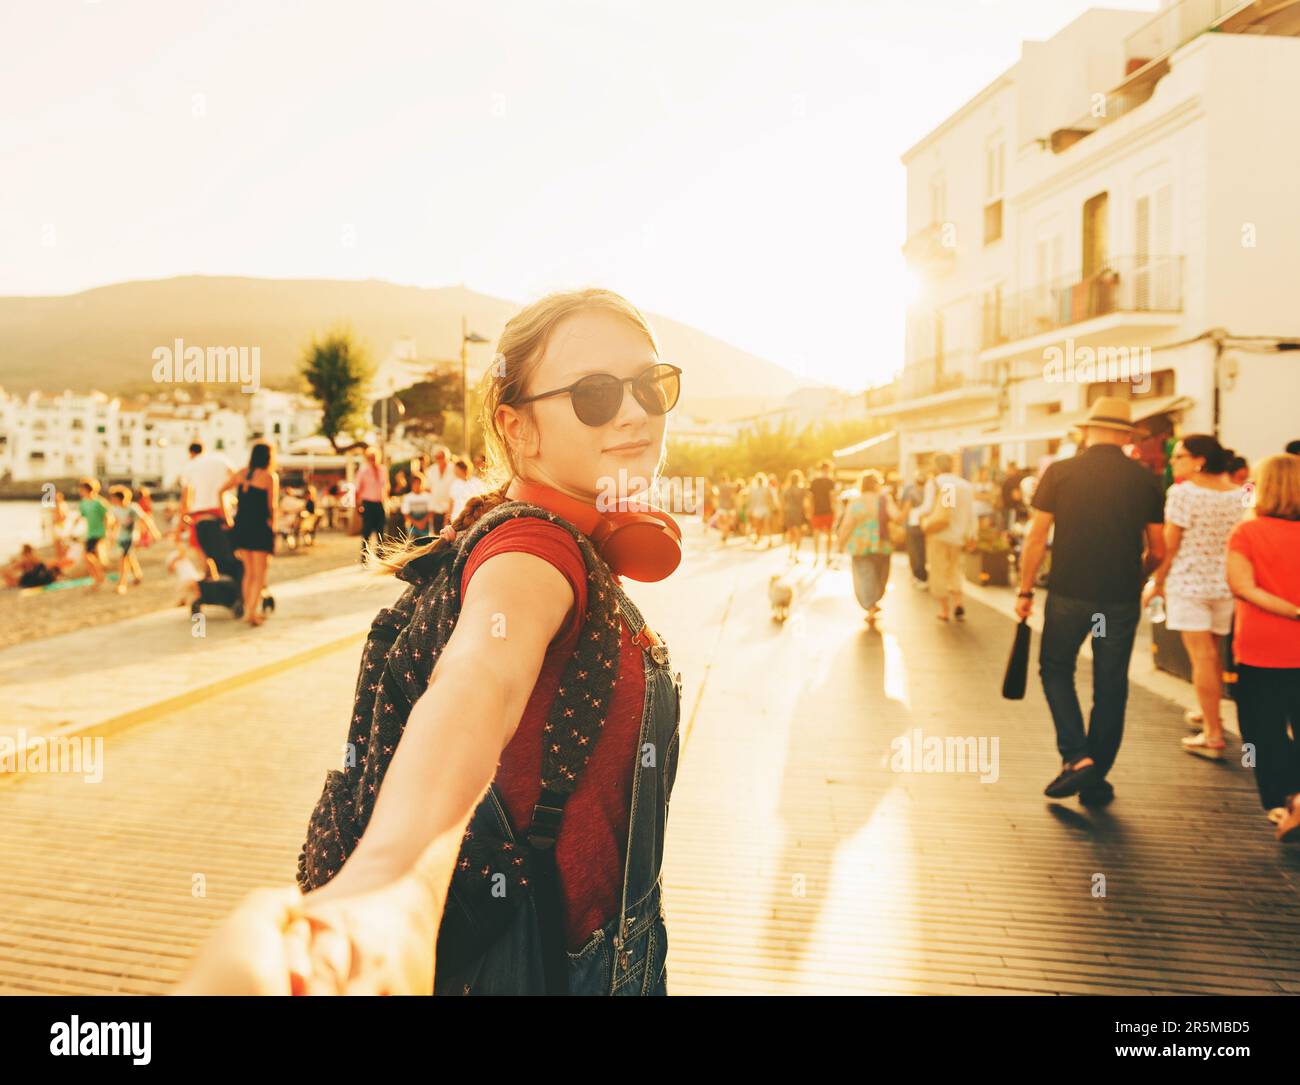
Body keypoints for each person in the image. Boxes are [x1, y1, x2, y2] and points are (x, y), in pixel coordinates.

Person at [177, 287, 684, 996]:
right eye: (596, 393)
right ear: (520, 428)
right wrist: (389, 892)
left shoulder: (527, 526)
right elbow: (479, 679)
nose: (634, 411)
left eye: (651, 386)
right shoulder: (534, 551)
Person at [1016, 397, 1166, 804]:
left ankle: (1077, 757)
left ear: (1087, 430)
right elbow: (1157, 548)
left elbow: (1036, 537)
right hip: (1117, 600)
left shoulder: (1061, 473)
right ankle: (1095, 775)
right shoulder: (1146, 481)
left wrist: (1025, 589)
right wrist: (1137, 576)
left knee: (1056, 669)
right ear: (1124, 436)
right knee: (1110, 685)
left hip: (1068, 593)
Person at [1143, 435, 1244, 758]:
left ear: (1199, 460)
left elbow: (1170, 545)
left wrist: (1156, 581)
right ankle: (1208, 710)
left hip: (1189, 583)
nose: (1173, 463)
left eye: (1179, 457)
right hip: (1224, 585)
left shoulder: (1183, 493)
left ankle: (1213, 734)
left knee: (1200, 658)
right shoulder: (1237, 494)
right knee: (1211, 655)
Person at [1225, 453, 1300, 841]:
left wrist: (1292, 610)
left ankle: (1291, 799)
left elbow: (1241, 586)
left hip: (1262, 650)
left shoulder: (1247, 533)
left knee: (1263, 732)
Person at [221, 441, 278, 626]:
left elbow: (220, 491)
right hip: (260, 527)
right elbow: (272, 507)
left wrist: (227, 517)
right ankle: (251, 613)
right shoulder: (269, 477)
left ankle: (249, 610)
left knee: (248, 572)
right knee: (260, 574)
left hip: (241, 527)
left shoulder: (241, 473)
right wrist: (273, 530)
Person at [835, 470, 901, 629]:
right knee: (881, 574)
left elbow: (847, 524)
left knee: (864, 575)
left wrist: (840, 543)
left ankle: (870, 605)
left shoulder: (855, 501)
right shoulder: (885, 500)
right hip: (882, 543)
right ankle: (874, 601)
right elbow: (897, 516)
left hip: (860, 544)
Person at [916, 453, 975, 621]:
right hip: (958, 535)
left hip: (939, 534)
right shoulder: (965, 485)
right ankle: (958, 602)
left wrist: (919, 516)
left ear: (937, 466)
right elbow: (971, 514)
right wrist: (971, 535)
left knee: (938, 571)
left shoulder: (940, 483)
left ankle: (944, 609)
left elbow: (933, 509)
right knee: (954, 569)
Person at [106, 485, 159, 595]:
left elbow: (145, 519)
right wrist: (112, 535)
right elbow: (116, 523)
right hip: (122, 537)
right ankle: (138, 575)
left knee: (123, 558)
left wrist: (154, 532)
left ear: (119, 498)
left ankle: (122, 583)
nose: (111, 500)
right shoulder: (115, 509)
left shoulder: (132, 508)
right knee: (129, 556)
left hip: (132, 536)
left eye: (113, 498)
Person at [180, 441, 234, 548]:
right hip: (222, 511)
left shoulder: (190, 465)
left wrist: (182, 520)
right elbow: (235, 478)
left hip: (200, 513)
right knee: (226, 549)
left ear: (191, 453)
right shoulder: (221, 459)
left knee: (201, 549)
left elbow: (186, 497)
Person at [354, 447, 389, 560]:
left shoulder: (383, 470)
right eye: (370, 458)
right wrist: (357, 506)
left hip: (380, 504)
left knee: (381, 532)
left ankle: (381, 557)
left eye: (374, 457)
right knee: (366, 533)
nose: (372, 460)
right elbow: (357, 490)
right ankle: (364, 557)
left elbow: (386, 487)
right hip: (368, 504)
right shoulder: (363, 471)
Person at [75, 479, 110, 590]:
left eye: (81, 489)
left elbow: (107, 517)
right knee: (89, 558)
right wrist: (71, 529)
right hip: (90, 534)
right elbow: (80, 516)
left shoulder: (99, 502)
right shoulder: (83, 503)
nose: (80, 491)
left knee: (89, 556)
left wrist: (108, 532)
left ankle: (100, 577)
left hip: (99, 533)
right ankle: (97, 578)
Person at [898, 470, 928, 587]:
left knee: (914, 551)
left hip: (913, 524)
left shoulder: (910, 491)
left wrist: (899, 519)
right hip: (923, 524)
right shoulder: (927, 491)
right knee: (921, 551)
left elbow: (905, 507)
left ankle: (918, 575)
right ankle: (921, 575)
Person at [424, 446, 456, 534]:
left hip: (450, 509)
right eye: (437, 457)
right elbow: (427, 487)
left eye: (442, 457)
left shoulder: (454, 468)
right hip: (436, 509)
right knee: (436, 536)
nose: (439, 459)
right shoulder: (431, 470)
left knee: (450, 536)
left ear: (447, 457)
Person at [781, 469, 809, 561]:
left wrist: (782, 516)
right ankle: (796, 553)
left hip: (788, 512)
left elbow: (782, 503)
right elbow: (806, 503)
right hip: (798, 513)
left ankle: (790, 552)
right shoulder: (802, 489)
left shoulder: (786, 490)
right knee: (798, 534)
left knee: (790, 533)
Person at [448, 456, 485, 521]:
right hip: (456, 518)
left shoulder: (477, 482)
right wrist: (448, 517)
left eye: (456, 469)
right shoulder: (455, 484)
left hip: (471, 518)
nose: (455, 471)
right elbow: (451, 502)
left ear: (463, 469)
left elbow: (482, 500)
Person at [400, 473, 435, 537]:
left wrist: (423, 523)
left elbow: (431, 512)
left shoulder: (428, 496)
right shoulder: (407, 498)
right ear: (412, 484)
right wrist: (417, 524)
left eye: (419, 483)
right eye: (415, 483)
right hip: (412, 529)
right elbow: (406, 514)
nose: (417, 485)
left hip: (426, 529)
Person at [747, 472, 772, 547]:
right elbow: (751, 501)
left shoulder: (765, 489)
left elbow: (769, 500)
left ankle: (768, 540)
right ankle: (760, 538)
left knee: (764, 526)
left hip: (762, 509)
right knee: (759, 526)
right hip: (759, 509)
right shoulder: (754, 489)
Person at [714, 473, 738, 545]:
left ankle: (724, 534)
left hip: (722, 507)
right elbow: (735, 494)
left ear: (721, 480)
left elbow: (716, 495)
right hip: (730, 507)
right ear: (727, 479)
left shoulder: (719, 487)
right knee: (728, 522)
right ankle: (725, 535)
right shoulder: (731, 486)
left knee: (721, 522)